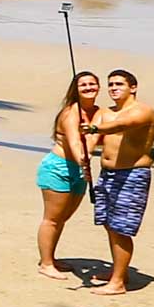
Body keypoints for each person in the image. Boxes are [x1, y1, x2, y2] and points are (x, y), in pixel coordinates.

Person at [83, 69, 154, 294]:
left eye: (119, 84)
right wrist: (85, 155)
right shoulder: (106, 112)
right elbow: (93, 136)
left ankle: (117, 283)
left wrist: (95, 128)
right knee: (108, 224)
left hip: (132, 174)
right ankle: (120, 271)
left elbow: (121, 125)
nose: (113, 88)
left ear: (132, 87)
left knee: (121, 228)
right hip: (107, 174)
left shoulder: (143, 111)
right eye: (111, 85)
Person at [35, 71, 100, 280]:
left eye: (92, 84)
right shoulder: (71, 113)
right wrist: (84, 157)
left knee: (63, 218)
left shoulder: (99, 113)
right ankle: (45, 263)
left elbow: (94, 141)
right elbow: (74, 143)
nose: (89, 88)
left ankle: (51, 257)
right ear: (76, 89)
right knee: (52, 219)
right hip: (58, 167)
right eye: (83, 85)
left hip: (80, 170)